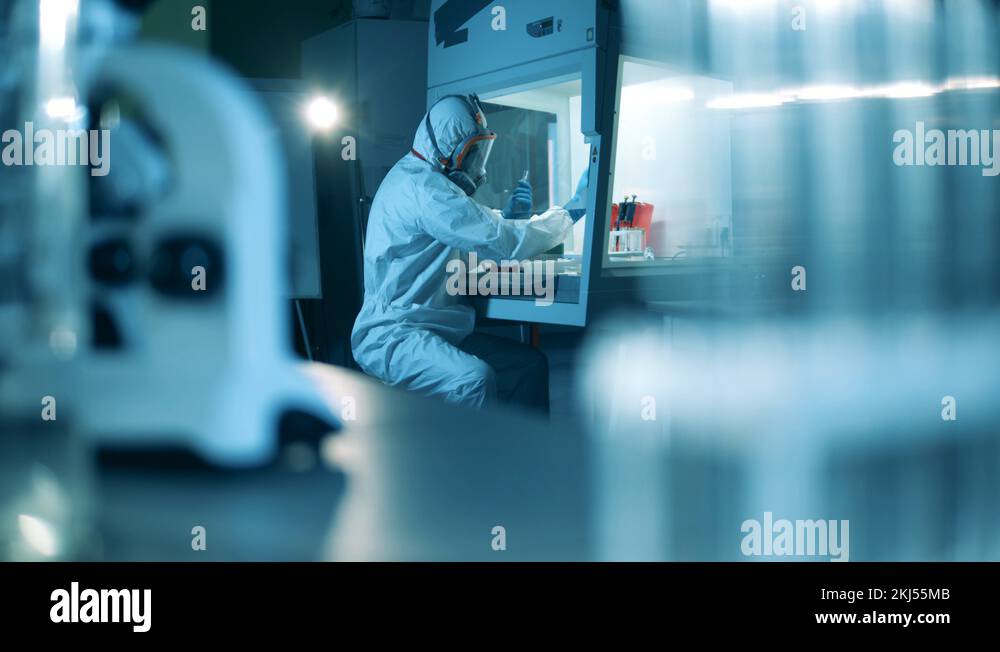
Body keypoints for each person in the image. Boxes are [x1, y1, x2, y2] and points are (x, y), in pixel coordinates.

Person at [350, 94, 588, 413]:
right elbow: (499, 241)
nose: (477, 164)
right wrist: (571, 211)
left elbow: (476, 228)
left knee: (528, 366)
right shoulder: (423, 190)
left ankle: (527, 460)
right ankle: (469, 462)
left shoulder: (426, 179)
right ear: (448, 150)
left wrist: (508, 219)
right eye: (472, 152)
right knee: (473, 380)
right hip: (395, 335)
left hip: (437, 327)